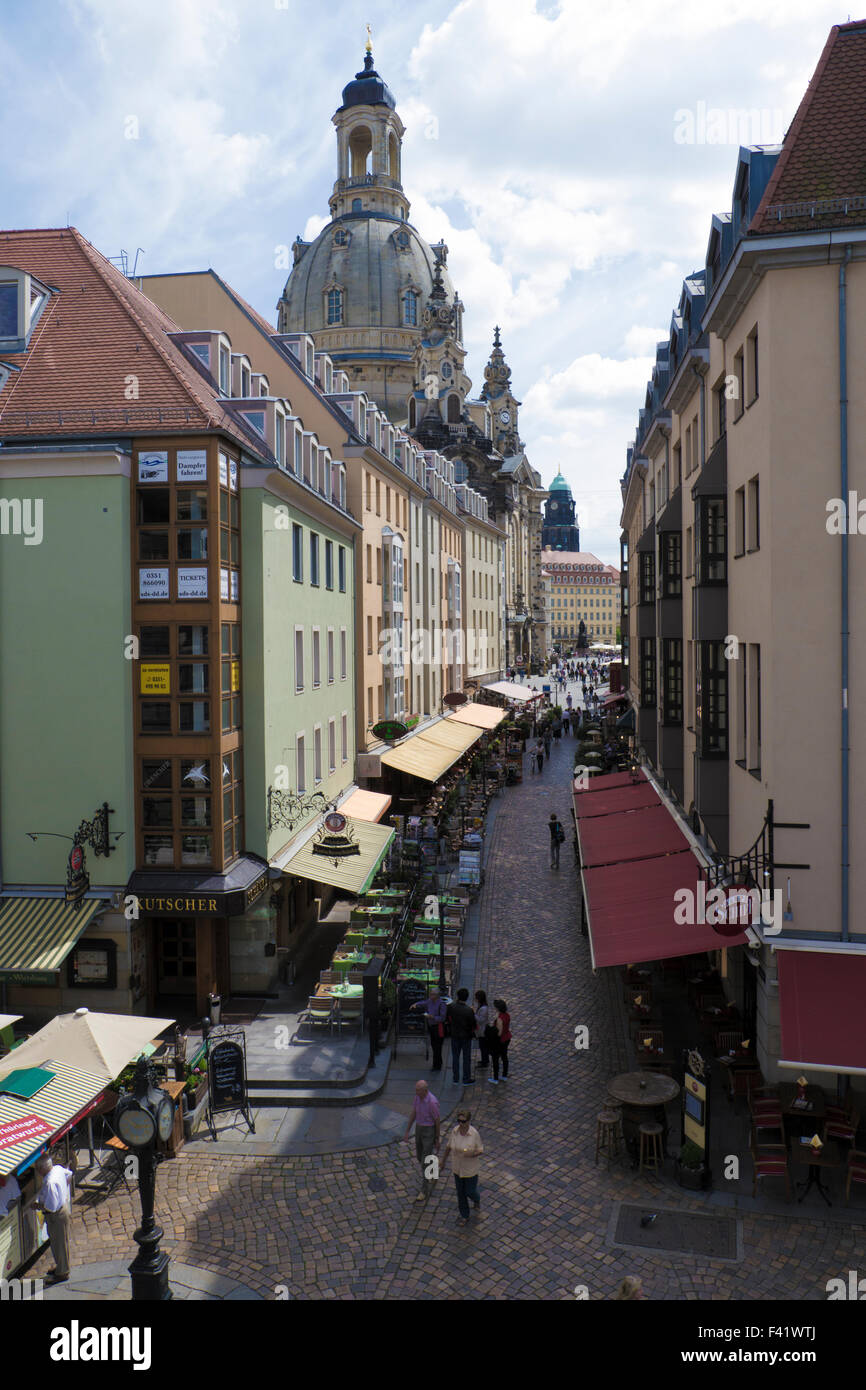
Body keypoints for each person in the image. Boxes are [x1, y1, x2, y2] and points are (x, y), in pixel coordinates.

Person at [33, 1155, 73, 1283]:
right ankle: (62, 1267)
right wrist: (63, 1191)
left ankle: (62, 1273)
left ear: (41, 1169)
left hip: (56, 1215)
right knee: (61, 1243)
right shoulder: (58, 1169)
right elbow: (69, 1175)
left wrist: (36, 1206)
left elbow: (50, 1207)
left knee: (58, 1244)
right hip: (63, 1209)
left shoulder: (50, 1182)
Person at [440, 1108, 483, 1224]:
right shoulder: (455, 1131)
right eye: (459, 1120)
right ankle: (464, 1215)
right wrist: (443, 1161)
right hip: (457, 1168)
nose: (460, 1123)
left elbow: (480, 1150)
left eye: (463, 1121)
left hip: (470, 1170)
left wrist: (473, 1154)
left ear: (468, 1121)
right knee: (460, 1192)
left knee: (470, 1191)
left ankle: (476, 1199)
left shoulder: (474, 1134)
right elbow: (449, 1147)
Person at [402, 1080, 441, 1202]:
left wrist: (437, 1138)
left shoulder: (432, 1102)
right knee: (420, 1156)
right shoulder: (417, 1098)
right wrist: (408, 1130)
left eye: (418, 1090)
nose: (415, 1092)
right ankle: (433, 1171)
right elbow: (414, 1113)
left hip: (429, 1130)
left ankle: (424, 1190)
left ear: (425, 1090)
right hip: (419, 1128)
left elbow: (437, 1120)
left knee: (425, 1161)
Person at [410, 986, 448, 1072]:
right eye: (430, 994)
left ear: (437, 995)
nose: (431, 996)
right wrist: (415, 1004)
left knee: (437, 1046)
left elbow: (442, 1018)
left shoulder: (441, 1004)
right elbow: (423, 1003)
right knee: (434, 1046)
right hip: (431, 1026)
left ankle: (436, 1065)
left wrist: (431, 1016)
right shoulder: (430, 1001)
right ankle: (438, 1062)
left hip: (438, 1027)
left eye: (433, 994)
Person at [446, 987, 477, 1084]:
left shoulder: (451, 1007)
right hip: (466, 1036)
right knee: (466, 1058)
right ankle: (466, 1078)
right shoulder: (468, 1010)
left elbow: (448, 1018)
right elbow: (473, 1024)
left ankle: (455, 1078)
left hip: (455, 1034)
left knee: (455, 1057)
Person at [488, 999, 511, 1083]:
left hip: (500, 1041)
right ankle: (504, 1075)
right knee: (504, 1056)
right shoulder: (507, 1015)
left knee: (495, 1059)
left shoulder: (500, 1019)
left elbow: (499, 1032)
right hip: (507, 1037)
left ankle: (495, 1078)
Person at [474, 990, 491, 1068]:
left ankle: (485, 1061)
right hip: (481, 1030)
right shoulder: (482, 1006)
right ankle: (485, 1060)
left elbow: (481, 1020)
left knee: (483, 1046)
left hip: (483, 1030)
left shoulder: (483, 1008)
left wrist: (473, 1014)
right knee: (483, 1046)